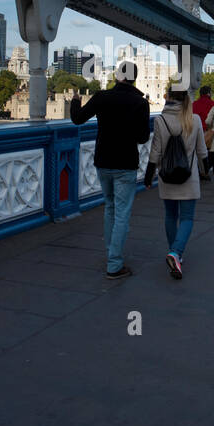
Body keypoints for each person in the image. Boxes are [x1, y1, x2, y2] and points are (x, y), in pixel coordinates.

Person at [70, 59, 150, 281]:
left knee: (110, 208)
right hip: (125, 163)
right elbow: (143, 138)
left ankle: (111, 253)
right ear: (133, 78)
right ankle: (114, 264)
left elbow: (77, 119)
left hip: (102, 161)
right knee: (122, 213)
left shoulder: (102, 97)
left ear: (117, 76)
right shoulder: (140, 103)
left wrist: (75, 101)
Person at [146, 82, 208, 279]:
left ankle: (175, 253)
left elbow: (155, 151)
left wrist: (148, 176)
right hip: (188, 177)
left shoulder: (160, 120)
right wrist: (207, 170)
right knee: (187, 217)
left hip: (166, 175)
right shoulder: (195, 119)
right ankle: (176, 253)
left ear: (169, 96)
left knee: (170, 216)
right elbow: (201, 151)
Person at [191, 85, 214, 181]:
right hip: (209, 131)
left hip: (197, 131)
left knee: (199, 152)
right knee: (210, 152)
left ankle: (200, 171)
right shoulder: (213, 104)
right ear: (208, 93)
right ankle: (205, 171)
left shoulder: (194, 104)